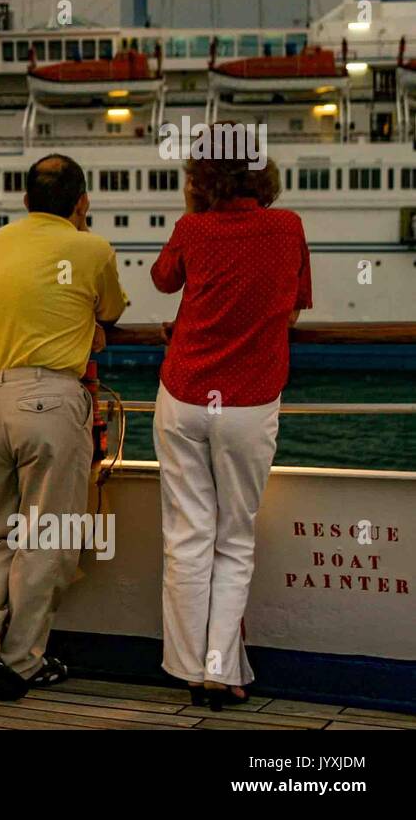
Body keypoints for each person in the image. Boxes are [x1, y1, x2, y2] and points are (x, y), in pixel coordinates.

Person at [0, 154, 128, 701]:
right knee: (47, 538)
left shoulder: (3, 239)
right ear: (82, 203)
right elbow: (111, 310)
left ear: (25, 202)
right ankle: (22, 661)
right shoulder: (92, 246)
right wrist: (91, 328)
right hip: (49, 401)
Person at [151, 146, 311, 710]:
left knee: (188, 536)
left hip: (185, 394)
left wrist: (193, 211)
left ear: (200, 181)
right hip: (248, 404)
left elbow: (163, 280)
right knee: (234, 541)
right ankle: (220, 669)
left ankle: (191, 669)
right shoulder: (287, 227)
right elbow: (292, 309)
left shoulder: (192, 228)